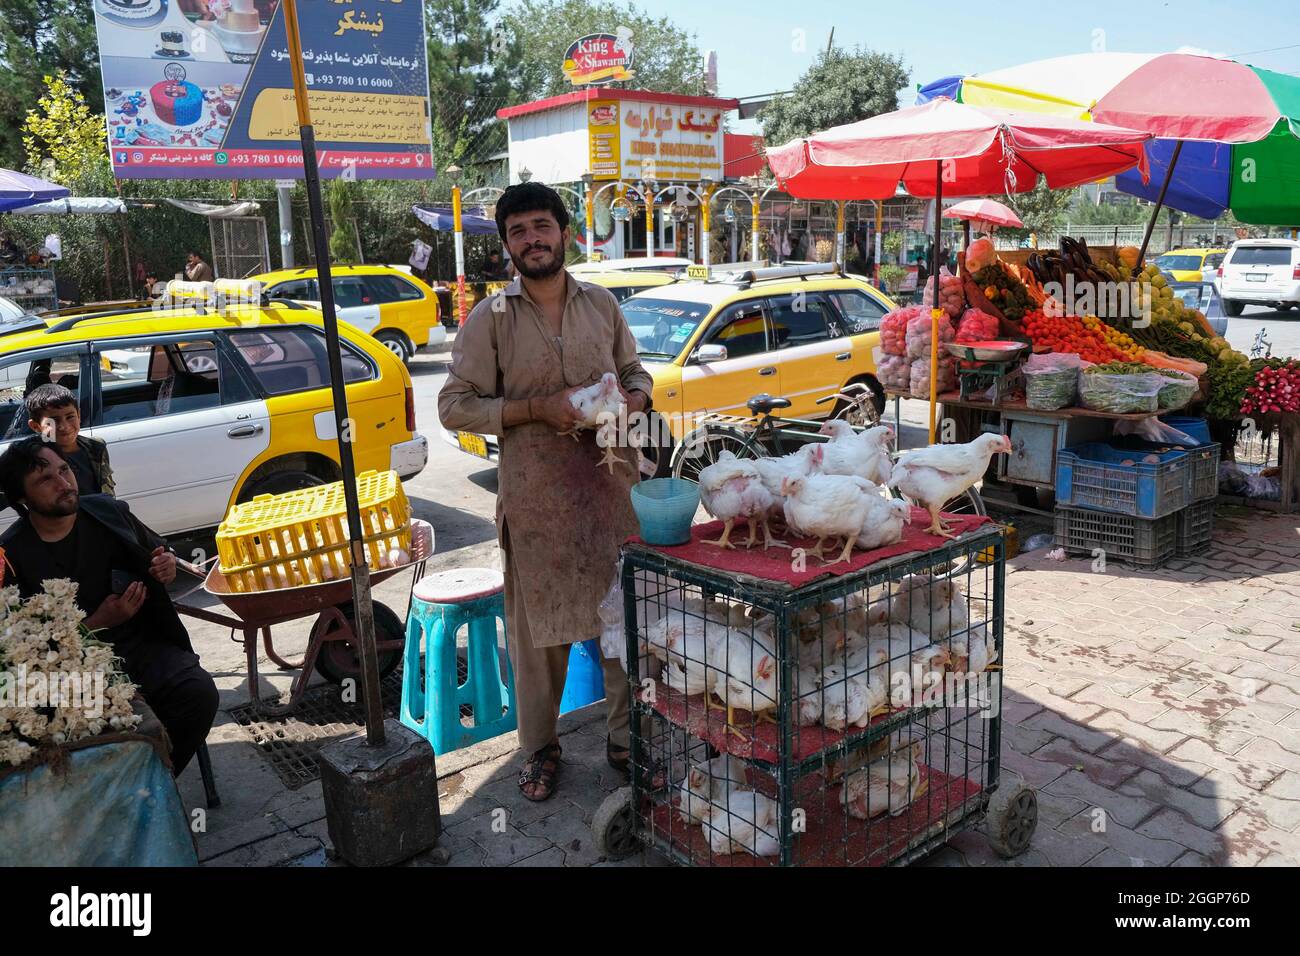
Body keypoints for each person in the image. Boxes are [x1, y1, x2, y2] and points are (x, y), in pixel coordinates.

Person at [438, 182, 653, 802]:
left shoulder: (602, 305)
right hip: (537, 503)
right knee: (540, 638)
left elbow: (636, 372)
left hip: (611, 491)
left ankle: (623, 741)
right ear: (507, 245)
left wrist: (630, 400)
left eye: (541, 226)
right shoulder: (491, 319)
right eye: (518, 231)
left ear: (564, 232)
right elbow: (453, 407)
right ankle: (540, 749)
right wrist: (537, 410)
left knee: (620, 624)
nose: (532, 239)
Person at [0, 441, 217, 773]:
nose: (64, 484)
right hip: (73, 673)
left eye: (64, 470)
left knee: (198, 695)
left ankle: (158, 784)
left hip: (142, 644)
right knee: (96, 737)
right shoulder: (11, 557)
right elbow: (18, 650)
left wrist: (166, 565)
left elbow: (159, 551)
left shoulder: (107, 512)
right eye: (45, 480)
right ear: (21, 498)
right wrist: (97, 623)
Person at [25, 384, 116, 496]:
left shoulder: (96, 447)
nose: (65, 426)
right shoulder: (32, 458)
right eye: (54, 421)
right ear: (35, 426)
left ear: (78, 415)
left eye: (70, 417)